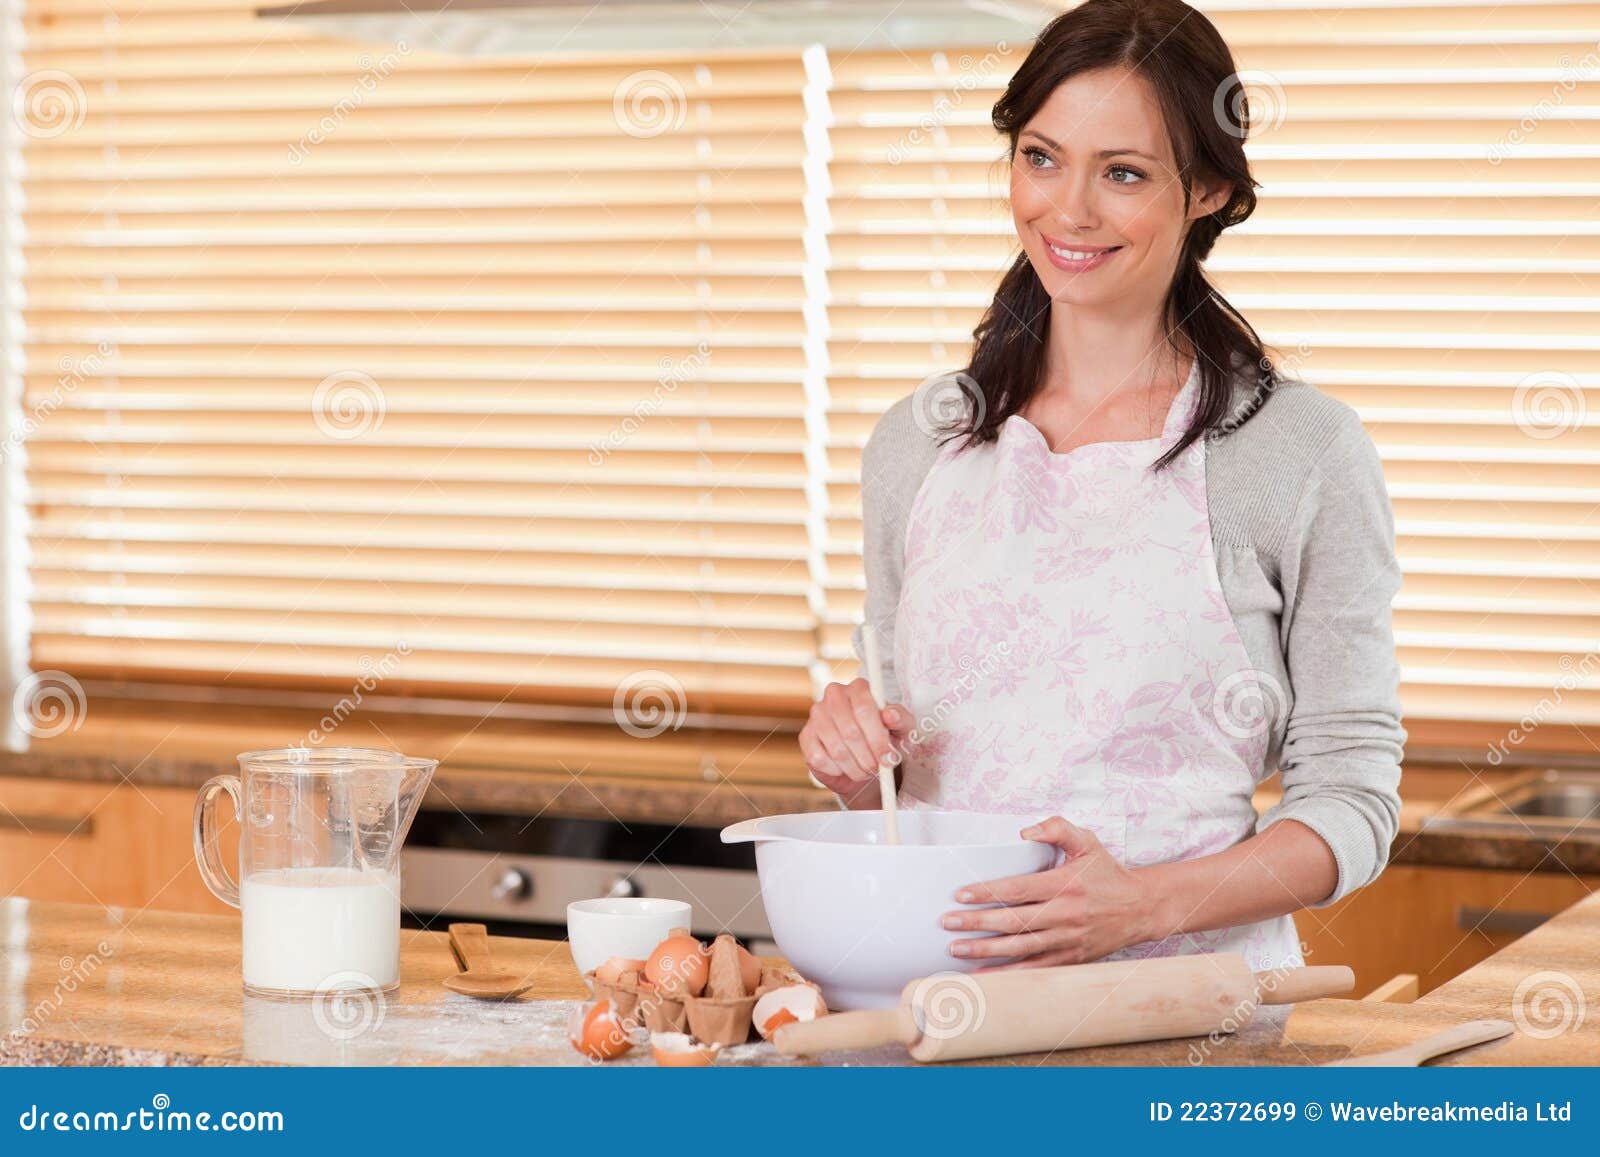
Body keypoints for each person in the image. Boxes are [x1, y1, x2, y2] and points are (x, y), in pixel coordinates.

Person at [798, 0, 1405, 973]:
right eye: (1041, 158)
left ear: (1206, 188)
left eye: (1121, 173)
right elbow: (913, 783)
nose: (1068, 210)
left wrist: (1144, 904)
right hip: (934, 1002)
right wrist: (849, 761)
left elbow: (1352, 802)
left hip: (1186, 1017)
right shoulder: (919, 444)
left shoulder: (1298, 451)